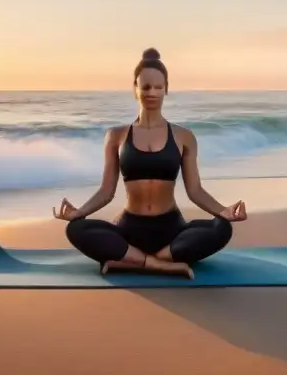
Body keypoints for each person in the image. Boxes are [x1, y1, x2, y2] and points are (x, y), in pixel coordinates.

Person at [53, 48, 248, 278]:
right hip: (128, 229)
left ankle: (131, 261)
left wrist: (225, 211)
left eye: (158, 87)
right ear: (135, 89)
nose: (152, 93)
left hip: (171, 231)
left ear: (166, 89)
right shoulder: (116, 136)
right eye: (145, 87)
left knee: (222, 227)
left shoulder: (183, 137)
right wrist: (79, 212)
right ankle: (161, 265)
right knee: (76, 228)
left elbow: (195, 191)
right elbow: (106, 191)